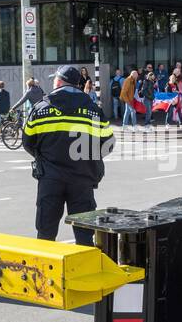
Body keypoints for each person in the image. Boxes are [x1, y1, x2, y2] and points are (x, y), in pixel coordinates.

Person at [22, 65, 114, 246]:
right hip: (82, 180)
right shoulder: (93, 109)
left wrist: (45, 157)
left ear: (59, 81)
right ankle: (83, 272)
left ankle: (46, 273)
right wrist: (90, 157)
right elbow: (108, 142)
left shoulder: (41, 108)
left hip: (50, 179)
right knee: (85, 235)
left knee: (45, 234)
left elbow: (28, 142)